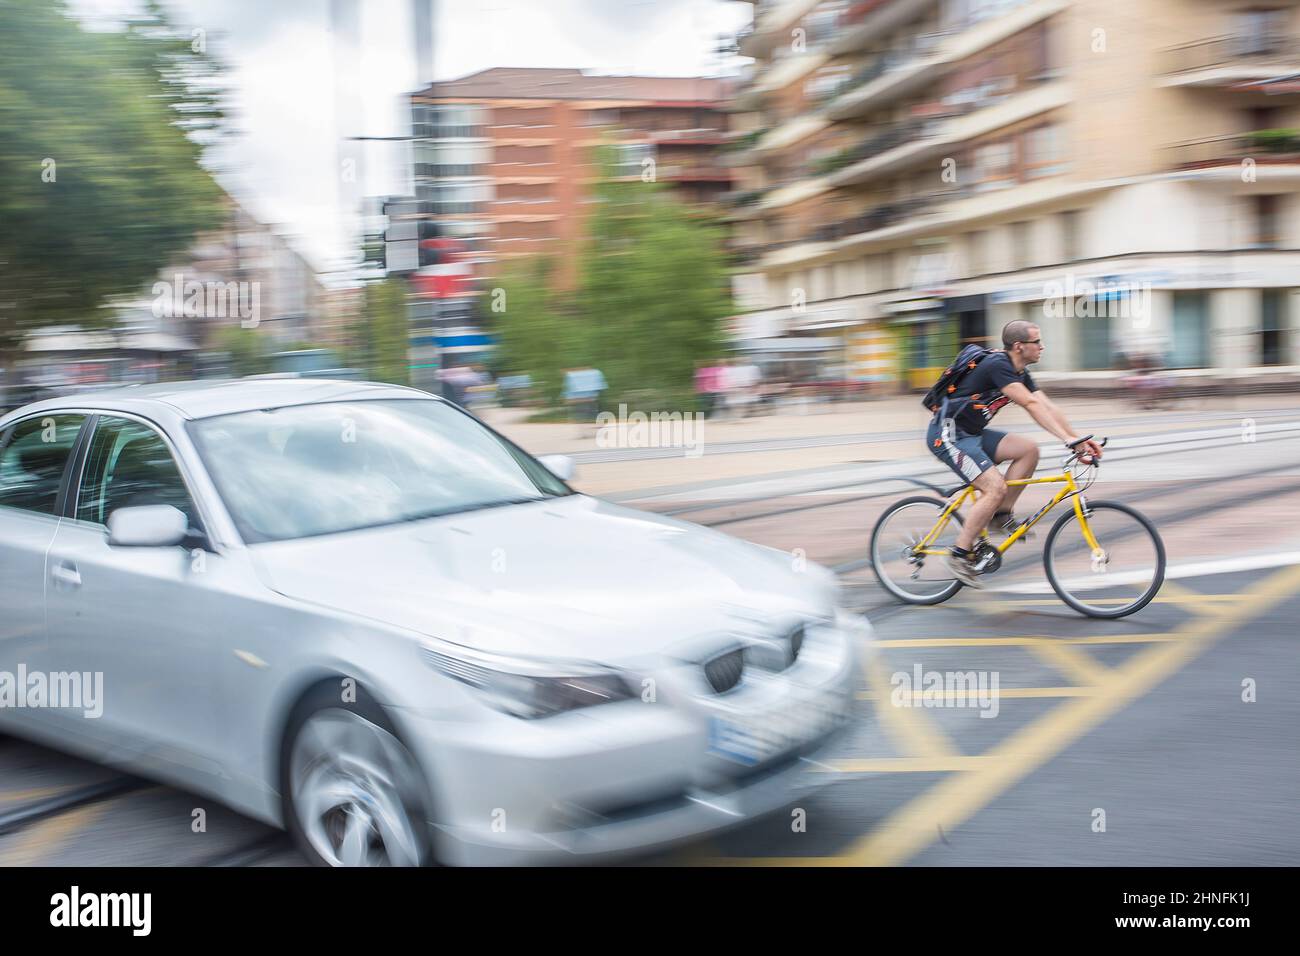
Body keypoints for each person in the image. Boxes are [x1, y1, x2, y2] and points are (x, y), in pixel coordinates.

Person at [926, 320, 1104, 587]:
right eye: (1037, 342)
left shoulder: (1020, 371)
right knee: (994, 488)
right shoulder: (998, 365)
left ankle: (1000, 516)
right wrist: (1066, 440)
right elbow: (1030, 404)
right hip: (948, 435)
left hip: (972, 435)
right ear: (1019, 346)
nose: (1042, 347)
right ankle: (959, 554)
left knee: (1028, 450)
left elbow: (1047, 406)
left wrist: (1077, 439)